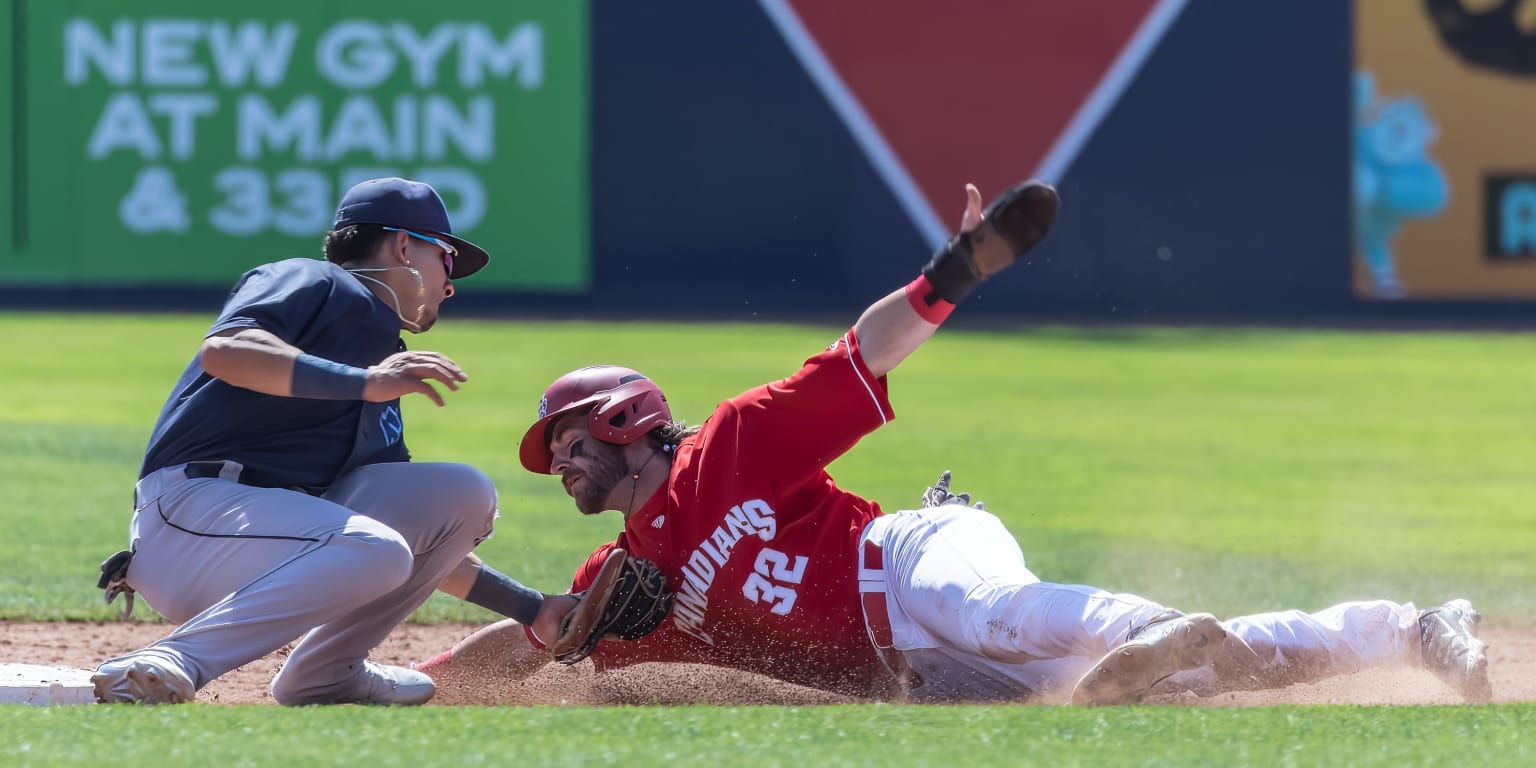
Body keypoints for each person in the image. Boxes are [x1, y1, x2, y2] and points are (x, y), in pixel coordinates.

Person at [418, 180, 1492, 705]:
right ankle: (1405, 628)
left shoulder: (735, 442)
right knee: (1197, 683)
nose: (555, 462)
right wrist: (399, 679)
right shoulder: (619, 582)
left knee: (1004, 610)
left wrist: (953, 276)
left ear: (626, 419)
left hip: (915, 560)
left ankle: (1157, 630)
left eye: (565, 439)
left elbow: (862, 354)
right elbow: (531, 645)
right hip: (923, 674)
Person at [92, 178, 578, 706]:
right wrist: (366, 383)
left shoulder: (380, 354)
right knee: (379, 548)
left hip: (278, 538)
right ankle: (174, 658)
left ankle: (326, 673)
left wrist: (533, 609)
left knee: (460, 494)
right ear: (402, 246)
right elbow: (227, 351)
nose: (450, 283)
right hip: (193, 522)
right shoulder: (313, 281)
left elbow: (414, 545)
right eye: (446, 258)